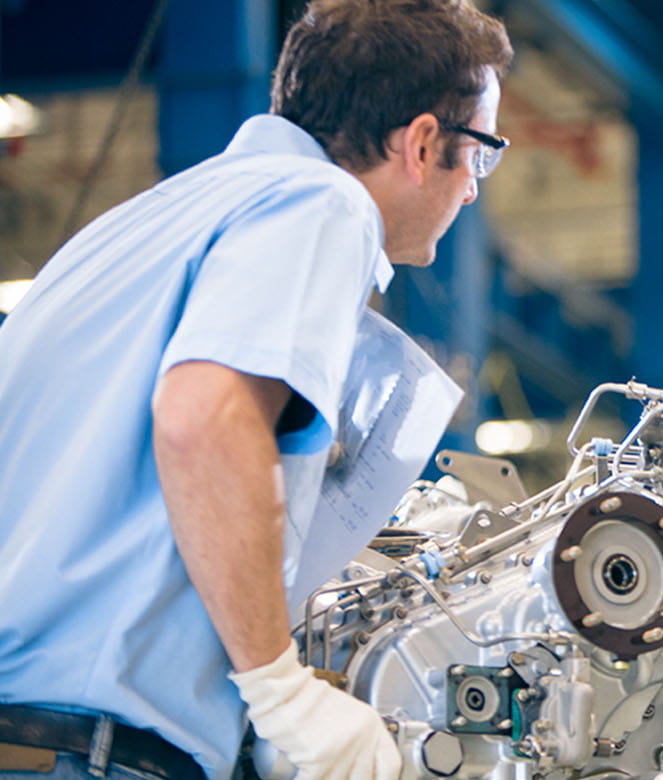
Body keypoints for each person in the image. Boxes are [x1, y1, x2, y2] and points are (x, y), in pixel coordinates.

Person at [0, 2, 512, 778]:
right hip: (89, 754)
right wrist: (281, 691)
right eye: (480, 153)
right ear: (420, 143)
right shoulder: (323, 203)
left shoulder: (148, 222)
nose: (473, 189)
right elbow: (202, 418)